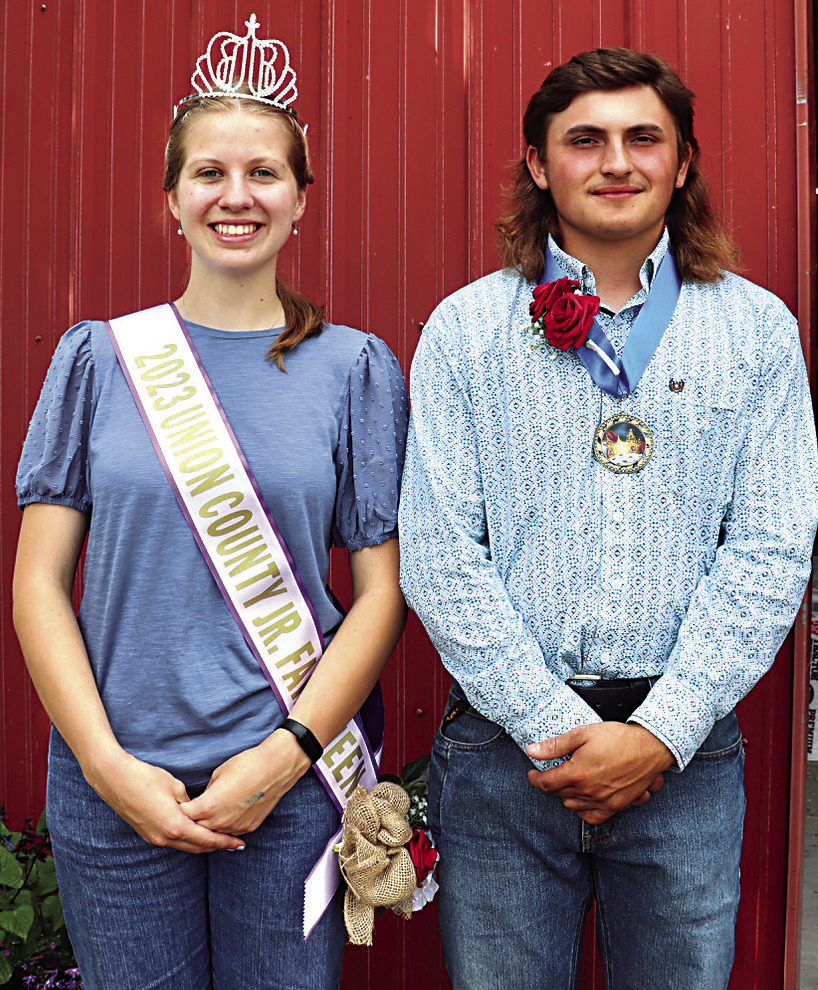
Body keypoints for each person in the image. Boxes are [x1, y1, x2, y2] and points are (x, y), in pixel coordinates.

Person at [398, 46, 818, 989]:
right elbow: (436, 553)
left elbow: (773, 545)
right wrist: (558, 729)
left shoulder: (757, 331)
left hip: (685, 755)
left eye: (644, 138)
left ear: (683, 161)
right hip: (508, 759)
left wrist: (658, 732)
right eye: (584, 141)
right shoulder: (465, 330)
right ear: (541, 166)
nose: (616, 162)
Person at [13, 15, 407, 990]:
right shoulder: (98, 361)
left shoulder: (353, 370)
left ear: (301, 199)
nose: (237, 196)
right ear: (172, 201)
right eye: (209, 174)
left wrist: (282, 758)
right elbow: (36, 584)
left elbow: (383, 595)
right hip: (116, 783)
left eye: (264, 173)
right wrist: (105, 767)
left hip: (288, 780)